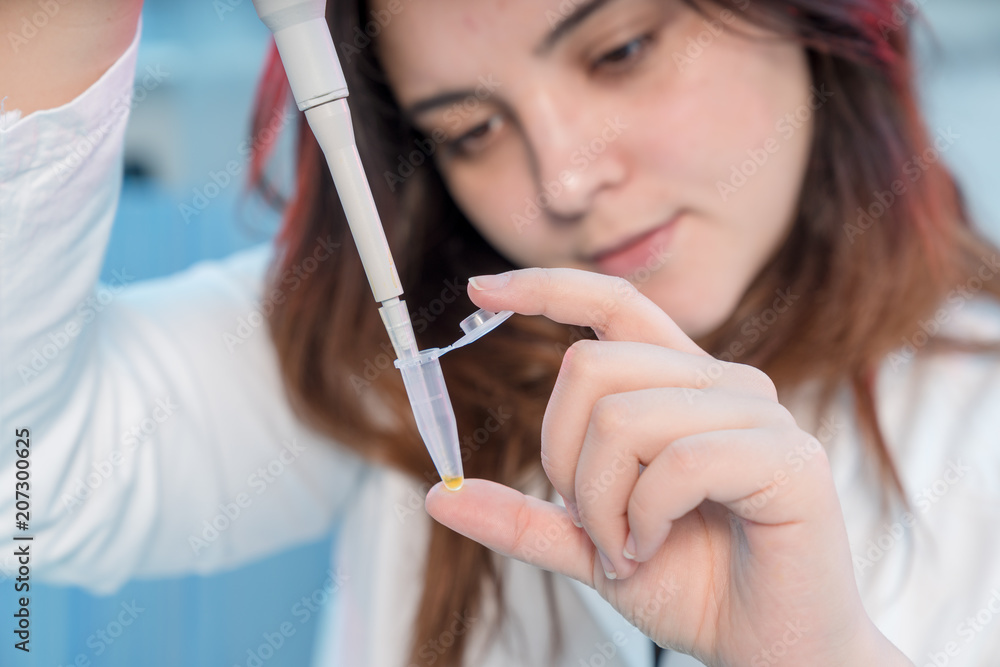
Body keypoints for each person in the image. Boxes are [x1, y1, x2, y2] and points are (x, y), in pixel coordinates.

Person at [2, 0, 998, 665]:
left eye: (619, 50)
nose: (563, 182)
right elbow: (26, 480)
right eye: (469, 130)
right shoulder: (400, 353)